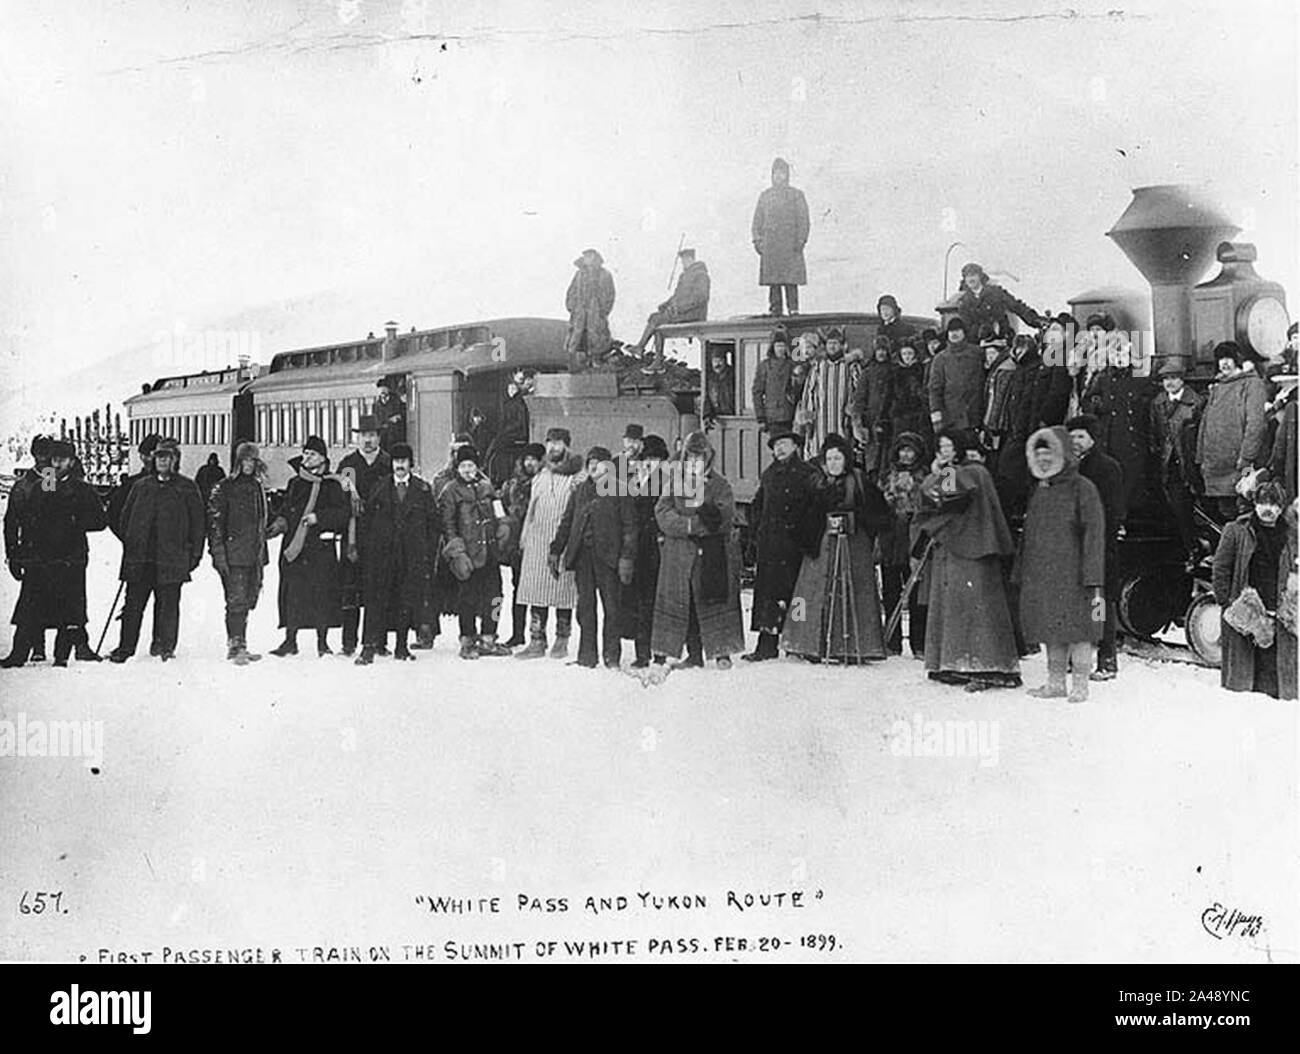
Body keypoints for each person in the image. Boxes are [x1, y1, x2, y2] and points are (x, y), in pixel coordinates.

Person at [915, 429, 1021, 691]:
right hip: (967, 546)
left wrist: (936, 472)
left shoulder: (967, 472)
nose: (945, 452)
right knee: (966, 608)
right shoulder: (971, 472)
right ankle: (959, 663)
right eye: (941, 447)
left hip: (968, 547)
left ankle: (983, 664)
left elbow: (934, 495)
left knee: (974, 609)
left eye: (949, 446)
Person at [1016, 427, 1107, 703]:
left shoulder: (1083, 489)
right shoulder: (1040, 491)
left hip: (1076, 575)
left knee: (1081, 629)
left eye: (1049, 454)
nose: (1043, 460)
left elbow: (1094, 533)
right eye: (1039, 455)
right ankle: (1055, 682)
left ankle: (1080, 684)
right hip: (1044, 575)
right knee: (1050, 627)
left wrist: (1093, 576)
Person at [781, 433, 890, 663]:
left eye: (838, 458)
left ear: (846, 459)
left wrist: (858, 519)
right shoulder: (816, 482)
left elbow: (879, 511)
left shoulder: (859, 481)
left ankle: (853, 645)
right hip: (821, 546)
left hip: (854, 545)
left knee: (855, 590)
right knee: (809, 593)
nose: (833, 463)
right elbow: (803, 514)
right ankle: (803, 640)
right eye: (829, 459)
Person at [2, 439, 107, 668]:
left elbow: (99, 521)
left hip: (71, 557)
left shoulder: (81, 488)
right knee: (30, 607)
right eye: (54, 459)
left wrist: (76, 520)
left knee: (69, 609)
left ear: (72, 462)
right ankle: (19, 654)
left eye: (62, 460)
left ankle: (62, 657)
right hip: (41, 556)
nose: (57, 464)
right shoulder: (47, 482)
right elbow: (34, 512)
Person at [651, 430, 744, 668]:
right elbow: (662, 511)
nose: (695, 462)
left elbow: (726, 514)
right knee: (684, 602)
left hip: (710, 554)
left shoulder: (719, 484)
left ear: (708, 458)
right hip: (678, 553)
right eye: (691, 457)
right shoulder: (675, 482)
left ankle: (721, 652)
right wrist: (688, 525)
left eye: (700, 457)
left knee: (712, 599)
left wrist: (702, 525)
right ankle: (692, 654)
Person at [108, 439, 205, 663]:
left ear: (175, 460)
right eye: (159, 457)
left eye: (167, 457)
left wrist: (193, 555)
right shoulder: (141, 486)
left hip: (171, 559)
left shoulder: (186, 487)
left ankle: (164, 646)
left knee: (168, 607)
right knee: (133, 606)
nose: (162, 461)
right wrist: (133, 542)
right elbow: (124, 518)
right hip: (141, 559)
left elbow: (198, 525)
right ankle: (125, 648)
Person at [550, 446, 637, 669]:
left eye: (598, 463)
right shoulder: (580, 490)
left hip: (609, 559)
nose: (593, 467)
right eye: (590, 464)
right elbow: (567, 522)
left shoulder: (621, 490)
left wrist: (626, 558)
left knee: (612, 608)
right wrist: (556, 550)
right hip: (583, 558)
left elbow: (629, 528)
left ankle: (612, 656)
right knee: (585, 609)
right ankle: (587, 656)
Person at [353, 442, 441, 664]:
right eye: (396, 461)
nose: (399, 465)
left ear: (411, 464)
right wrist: (367, 550)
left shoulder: (422, 490)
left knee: (406, 602)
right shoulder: (380, 488)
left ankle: (401, 646)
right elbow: (366, 521)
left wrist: (425, 553)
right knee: (375, 602)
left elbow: (433, 525)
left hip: (411, 557)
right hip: (382, 556)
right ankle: (369, 647)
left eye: (403, 461)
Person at [1212, 481, 1296, 700]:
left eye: (1274, 504)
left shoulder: (1291, 536)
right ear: (1255, 504)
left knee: (1276, 683)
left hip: (1279, 616)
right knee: (1244, 687)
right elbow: (1221, 569)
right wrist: (1229, 605)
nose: (1268, 509)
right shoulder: (1236, 531)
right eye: (1263, 503)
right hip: (1246, 618)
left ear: (1281, 507)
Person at [268, 436, 348, 657]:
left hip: (320, 547)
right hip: (295, 546)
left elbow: (343, 513)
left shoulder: (335, 483)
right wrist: (279, 524)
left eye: (311, 454)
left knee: (321, 594)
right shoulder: (295, 483)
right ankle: (290, 640)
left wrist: (319, 517)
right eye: (305, 453)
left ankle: (322, 643)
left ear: (323, 458)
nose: (306, 458)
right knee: (293, 592)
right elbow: (286, 509)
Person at [745, 428, 820, 661]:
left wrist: (804, 536)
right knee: (769, 594)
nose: (780, 448)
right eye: (776, 445)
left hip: (796, 546)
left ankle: (797, 642)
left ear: (796, 446)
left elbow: (815, 508)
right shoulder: (769, 475)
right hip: (771, 544)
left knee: (798, 595)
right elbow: (758, 505)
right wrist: (757, 531)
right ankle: (766, 645)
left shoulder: (808, 474)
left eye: (784, 443)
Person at [514, 427, 584, 659]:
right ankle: (537, 640)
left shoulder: (576, 476)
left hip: (562, 540)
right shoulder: (541, 475)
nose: (554, 447)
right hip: (537, 540)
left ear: (566, 446)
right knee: (535, 590)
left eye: (559, 443)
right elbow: (532, 508)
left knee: (562, 590)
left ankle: (562, 639)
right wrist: (525, 535)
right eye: (550, 442)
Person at [437, 445, 511, 661]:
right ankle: (467, 638)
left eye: (471, 465)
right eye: (463, 466)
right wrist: (457, 552)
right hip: (467, 556)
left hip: (490, 553)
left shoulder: (487, 486)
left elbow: (499, 510)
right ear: (457, 467)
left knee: (495, 596)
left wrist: (503, 525)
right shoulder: (450, 491)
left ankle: (489, 636)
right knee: (467, 600)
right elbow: (448, 525)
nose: (468, 470)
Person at [1067, 415, 1126, 680]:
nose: (1075, 441)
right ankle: (1075, 657)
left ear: (1092, 438)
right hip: (1071, 546)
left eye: (1080, 436)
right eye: (1071, 437)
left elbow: (1113, 510)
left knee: (1099, 603)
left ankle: (1107, 658)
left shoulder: (1106, 467)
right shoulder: (1066, 466)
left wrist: (1101, 539)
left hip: (1099, 546)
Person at [207, 441, 273, 665]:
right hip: (232, 555)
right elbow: (215, 524)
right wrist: (218, 553)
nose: (249, 464)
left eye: (252, 460)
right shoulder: (225, 487)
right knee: (235, 601)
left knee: (247, 599)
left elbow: (263, 520)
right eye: (245, 460)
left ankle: (241, 641)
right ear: (238, 461)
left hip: (252, 554)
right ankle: (235, 645)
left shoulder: (257, 487)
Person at [336, 415, 393, 656]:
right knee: (351, 589)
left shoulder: (388, 462)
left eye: (372, 435)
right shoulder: (349, 463)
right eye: (364, 436)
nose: (368, 440)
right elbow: (340, 488)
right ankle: (348, 643)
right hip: (353, 535)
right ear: (358, 438)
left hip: (381, 536)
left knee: (378, 590)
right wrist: (351, 496)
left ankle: (378, 642)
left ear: (378, 437)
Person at [1197, 341, 1270, 523]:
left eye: (1228, 358)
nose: (1224, 363)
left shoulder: (1252, 384)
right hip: (1216, 466)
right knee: (1226, 514)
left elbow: (1255, 424)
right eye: (1220, 359)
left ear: (1237, 360)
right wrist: (1201, 458)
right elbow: (1205, 424)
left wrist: (1246, 457)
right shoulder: (1218, 387)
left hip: (1241, 465)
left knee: (1246, 510)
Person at [1084, 330, 1154, 514]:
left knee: (1132, 478)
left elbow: (1149, 405)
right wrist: (1098, 406)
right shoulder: (1102, 379)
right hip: (1110, 437)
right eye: (1115, 352)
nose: (1119, 357)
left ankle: (1128, 517)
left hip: (1132, 438)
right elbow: (1089, 401)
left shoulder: (1139, 379)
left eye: (1123, 351)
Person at [879, 431, 931, 657]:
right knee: (891, 591)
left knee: (917, 594)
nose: (906, 455)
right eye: (903, 449)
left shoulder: (927, 476)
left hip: (914, 536)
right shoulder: (886, 475)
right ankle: (892, 641)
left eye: (911, 450)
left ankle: (919, 642)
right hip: (891, 538)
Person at [621, 434, 671, 667]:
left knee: (656, 601)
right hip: (637, 547)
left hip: (658, 546)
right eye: (648, 458)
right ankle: (642, 653)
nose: (651, 462)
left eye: (656, 458)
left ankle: (657, 653)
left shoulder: (668, 480)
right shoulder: (634, 479)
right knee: (640, 601)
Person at [1148, 360, 1205, 561]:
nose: (1169, 383)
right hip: (1167, 465)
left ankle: (1196, 549)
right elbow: (1154, 433)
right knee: (1176, 509)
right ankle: (1191, 549)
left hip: (1189, 464)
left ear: (1182, 380)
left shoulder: (1195, 402)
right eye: (1165, 379)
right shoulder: (1157, 403)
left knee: (1191, 508)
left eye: (1173, 378)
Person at [633, 247, 711, 368]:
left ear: (690, 259)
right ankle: (653, 357)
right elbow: (677, 295)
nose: (682, 264)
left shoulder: (701, 275)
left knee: (657, 320)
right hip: (682, 312)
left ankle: (643, 350)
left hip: (694, 315)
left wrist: (680, 308)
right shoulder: (685, 276)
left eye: (684, 261)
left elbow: (701, 298)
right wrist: (666, 304)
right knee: (656, 318)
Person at [752, 157, 809, 317]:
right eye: (776, 173)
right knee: (774, 282)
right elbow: (757, 220)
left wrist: (801, 240)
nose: (779, 176)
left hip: (790, 246)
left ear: (787, 174)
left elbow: (804, 220)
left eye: (782, 172)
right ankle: (775, 309)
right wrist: (757, 240)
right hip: (771, 247)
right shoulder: (765, 196)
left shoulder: (796, 195)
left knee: (790, 281)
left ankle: (793, 309)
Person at [500, 443, 545, 647]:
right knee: (518, 589)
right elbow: (501, 507)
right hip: (518, 545)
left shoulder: (545, 483)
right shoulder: (512, 484)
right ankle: (517, 633)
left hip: (539, 542)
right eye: (527, 459)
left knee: (537, 591)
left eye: (534, 459)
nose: (529, 463)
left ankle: (538, 635)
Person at [795, 327, 860, 459]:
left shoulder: (851, 367)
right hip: (820, 421)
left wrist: (853, 411)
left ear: (842, 345)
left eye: (836, 343)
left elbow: (858, 391)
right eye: (830, 343)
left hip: (841, 419)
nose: (832, 347)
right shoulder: (819, 366)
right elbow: (809, 391)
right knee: (818, 454)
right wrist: (808, 414)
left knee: (841, 452)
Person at [955, 263, 1045, 338]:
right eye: (967, 276)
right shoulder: (964, 302)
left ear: (980, 276)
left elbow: (1016, 306)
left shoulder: (996, 292)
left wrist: (1035, 320)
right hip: (980, 343)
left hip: (1002, 338)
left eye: (973, 275)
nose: (971, 279)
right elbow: (967, 326)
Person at [928, 317, 984, 431]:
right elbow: (934, 390)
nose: (954, 334)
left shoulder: (977, 353)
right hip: (951, 419)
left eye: (958, 330)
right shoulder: (940, 358)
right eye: (951, 331)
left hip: (976, 417)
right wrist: (937, 420)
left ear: (964, 332)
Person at [564, 248, 616, 372]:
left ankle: (596, 360)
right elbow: (571, 291)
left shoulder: (605, 275)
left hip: (595, 311)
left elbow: (610, 295)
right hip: (580, 311)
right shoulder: (579, 275)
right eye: (586, 256)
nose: (588, 259)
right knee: (577, 337)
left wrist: (602, 310)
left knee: (597, 335)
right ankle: (577, 364)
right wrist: (572, 307)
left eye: (590, 256)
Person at [851, 337, 895, 479]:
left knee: (888, 461)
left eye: (884, 350)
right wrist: (859, 424)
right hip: (870, 424)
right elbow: (859, 400)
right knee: (872, 465)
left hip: (891, 422)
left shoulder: (894, 370)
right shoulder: (868, 372)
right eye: (878, 350)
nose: (881, 353)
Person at [485, 367, 532, 484]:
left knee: (498, 442)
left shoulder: (520, 402)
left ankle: (489, 468)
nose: (511, 389)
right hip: (512, 432)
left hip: (518, 434)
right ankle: (489, 468)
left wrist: (505, 430)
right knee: (496, 443)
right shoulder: (510, 402)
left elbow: (520, 422)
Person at [751, 329, 796, 435]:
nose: (781, 349)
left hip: (789, 415)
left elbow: (797, 390)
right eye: (778, 346)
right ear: (773, 347)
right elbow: (757, 392)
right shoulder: (765, 366)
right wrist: (760, 417)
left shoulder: (791, 365)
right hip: (772, 417)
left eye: (783, 346)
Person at [980, 324, 1016, 452]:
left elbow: (998, 399)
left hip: (999, 424)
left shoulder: (1004, 370)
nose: (989, 357)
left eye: (992, 353)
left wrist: (991, 425)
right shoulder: (996, 369)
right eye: (987, 354)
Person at [889, 341, 931, 447]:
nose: (907, 357)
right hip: (900, 413)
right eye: (904, 354)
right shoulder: (895, 372)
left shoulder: (920, 370)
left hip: (918, 413)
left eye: (909, 353)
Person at [703, 348, 736, 424]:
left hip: (731, 415)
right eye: (715, 361)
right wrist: (707, 415)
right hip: (717, 416)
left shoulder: (732, 375)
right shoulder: (710, 379)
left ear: (725, 361)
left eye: (720, 361)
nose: (717, 364)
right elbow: (707, 397)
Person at [372, 379, 406, 451]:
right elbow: (377, 421)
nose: (382, 391)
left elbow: (404, 414)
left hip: (396, 436)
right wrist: (389, 420)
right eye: (380, 389)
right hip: (383, 438)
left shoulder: (397, 401)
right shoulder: (376, 405)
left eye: (384, 389)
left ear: (388, 389)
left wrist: (399, 417)